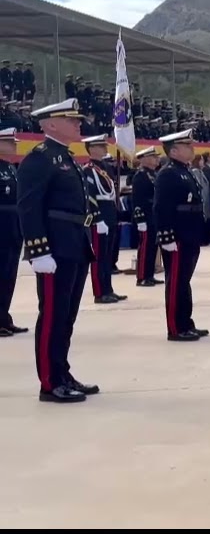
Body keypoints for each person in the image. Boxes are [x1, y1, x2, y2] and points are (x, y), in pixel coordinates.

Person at [17, 98, 97, 403]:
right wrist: (38, 250)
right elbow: (29, 207)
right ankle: (49, 382)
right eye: (71, 120)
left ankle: (62, 372)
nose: (78, 124)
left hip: (74, 242)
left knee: (67, 315)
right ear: (51, 124)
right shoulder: (39, 158)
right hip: (54, 247)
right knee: (52, 315)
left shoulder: (64, 157)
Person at [154, 130, 209, 342]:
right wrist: (166, 237)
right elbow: (162, 208)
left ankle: (187, 322)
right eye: (186, 145)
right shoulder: (168, 173)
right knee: (176, 281)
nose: (191, 148)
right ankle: (176, 327)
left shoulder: (185, 171)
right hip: (177, 235)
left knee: (184, 281)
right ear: (174, 150)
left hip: (190, 233)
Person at [81, 135, 124, 304]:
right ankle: (100, 292)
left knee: (108, 256)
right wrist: (97, 218)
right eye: (100, 146)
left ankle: (109, 289)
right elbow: (89, 195)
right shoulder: (88, 170)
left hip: (110, 213)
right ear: (91, 149)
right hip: (99, 215)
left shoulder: (106, 167)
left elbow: (111, 193)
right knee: (99, 257)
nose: (105, 148)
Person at [0, 127, 27, 337]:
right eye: (10, 142)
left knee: (9, 275)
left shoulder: (11, 168)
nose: (15, 145)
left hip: (12, 227)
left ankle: (4, 317)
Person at [130, 147, 162, 287]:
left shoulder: (153, 174)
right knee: (145, 247)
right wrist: (140, 219)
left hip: (153, 214)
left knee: (152, 247)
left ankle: (149, 274)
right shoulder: (141, 175)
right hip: (145, 215)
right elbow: (137, 199)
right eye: (153, 157)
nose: (157, 159)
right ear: (144, 159)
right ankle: (142, 276)